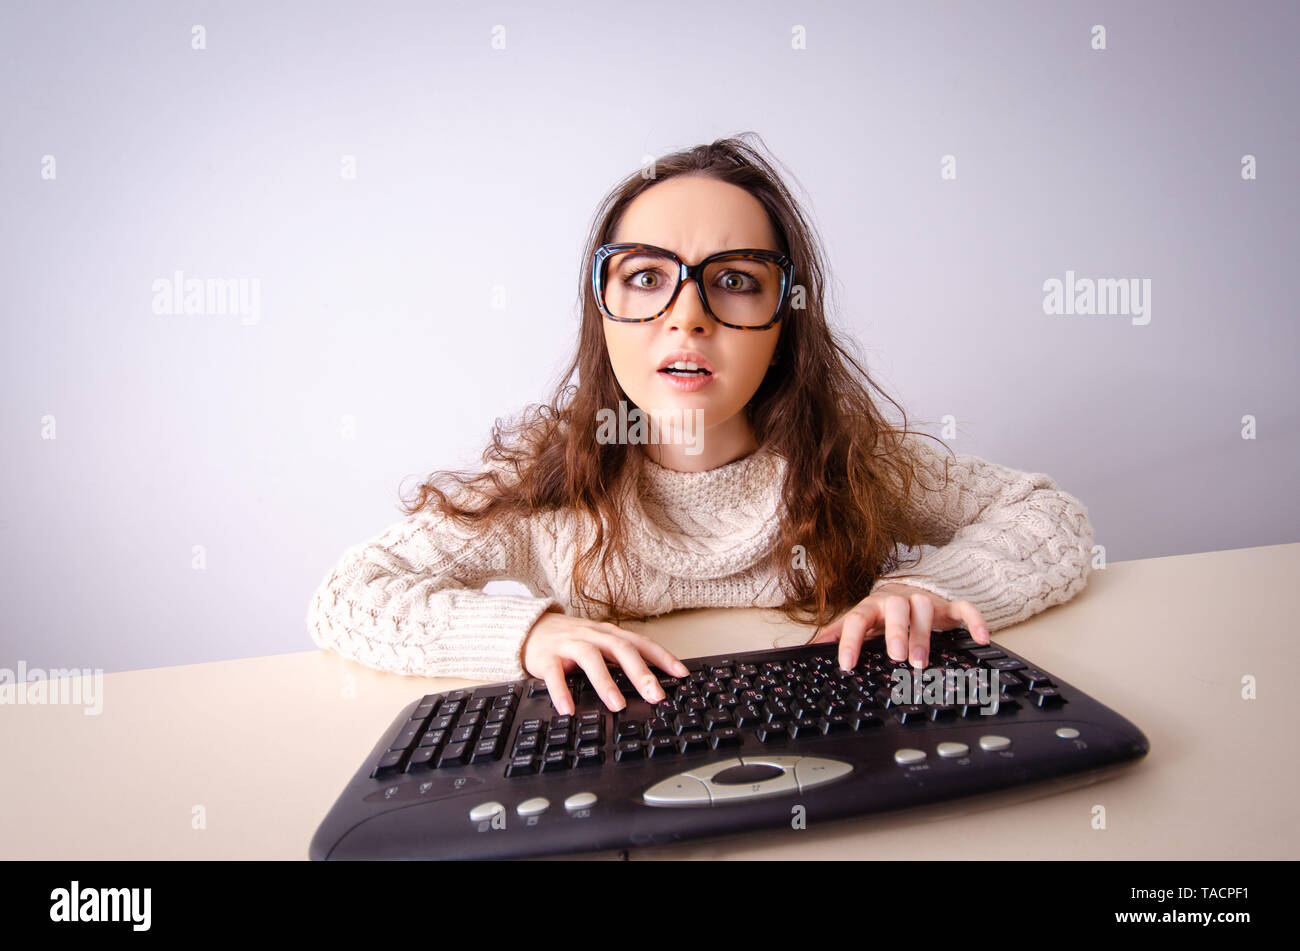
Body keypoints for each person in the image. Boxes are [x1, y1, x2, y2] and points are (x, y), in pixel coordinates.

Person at [306, 134, 1095, 717]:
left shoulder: (851, 459)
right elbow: (351, 594)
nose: (687, 316)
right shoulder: (544, 482)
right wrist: (528, 634)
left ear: (785, 317)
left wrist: (928, 589)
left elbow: (1049, 517)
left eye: (736, 281)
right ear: (601, 310)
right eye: (647, 276)